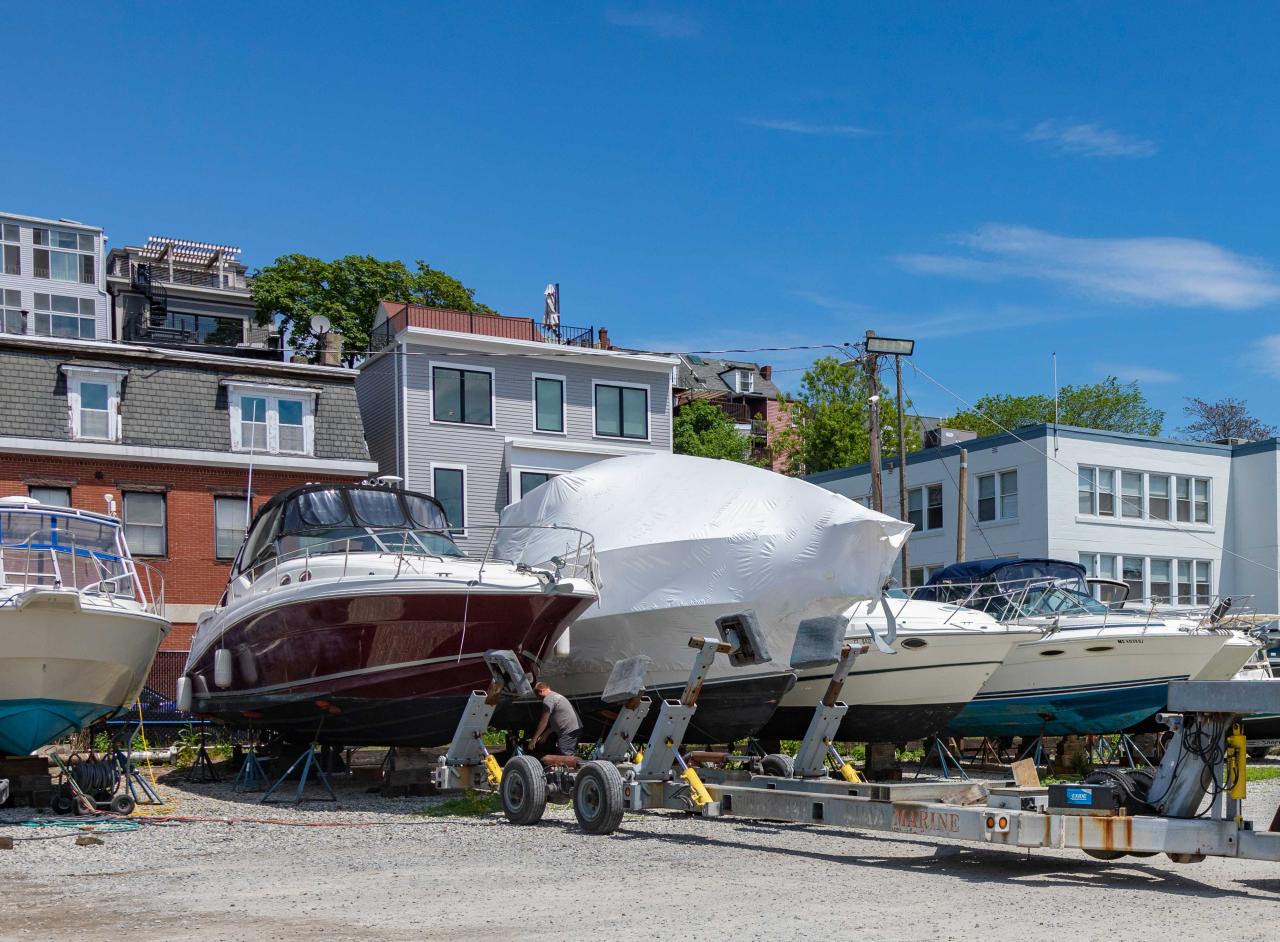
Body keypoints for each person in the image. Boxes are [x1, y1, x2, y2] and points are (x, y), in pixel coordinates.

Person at [529, 681, 581, 757]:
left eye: (539, 696)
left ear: (541, 691)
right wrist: (545, 734)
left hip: (568, 731)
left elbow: (543, 721)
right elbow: (559, 721)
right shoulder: (556, 696)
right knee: (565, 753)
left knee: (564, 756)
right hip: (574, 728)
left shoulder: (548, 699)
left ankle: (576, 768)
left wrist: (534, 739)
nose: (540, 699)